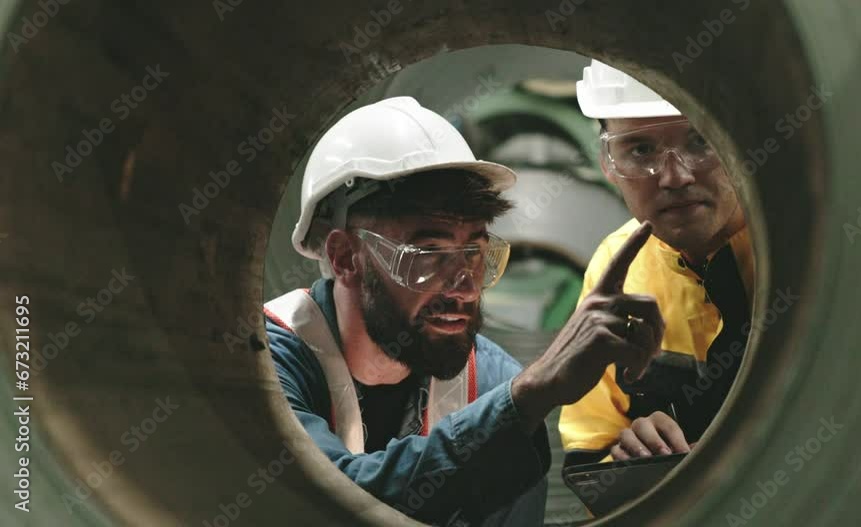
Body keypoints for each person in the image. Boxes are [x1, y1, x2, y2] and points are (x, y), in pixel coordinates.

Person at [265, 96, 664, 525]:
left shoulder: (492, 380)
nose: (465, 287)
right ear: (345, 258)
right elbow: (326, 501)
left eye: (474, 251)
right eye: (428, 252)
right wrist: (526, 398)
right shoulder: (267, 361)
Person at [559, 60, 755, 466]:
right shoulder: (617, 266)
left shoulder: (805, 252)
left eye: (700, 141)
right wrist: (633, 459)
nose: (674, 176)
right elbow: (589, 454)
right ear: (607, 164)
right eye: (641, 149)